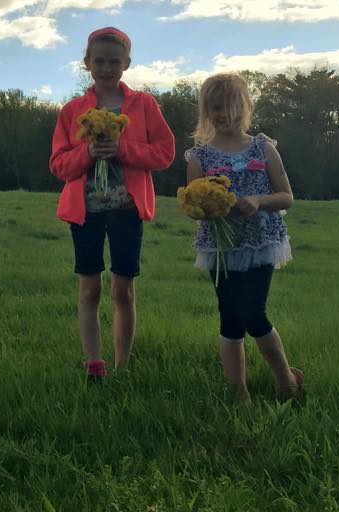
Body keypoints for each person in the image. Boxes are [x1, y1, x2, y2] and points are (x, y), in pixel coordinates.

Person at [50, 27, 175, 381]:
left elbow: (164, 153)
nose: (106, 68)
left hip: (126, 210)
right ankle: (94, 364)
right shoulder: (72, 110)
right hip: (84, 212)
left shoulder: (144, 105)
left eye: (114, 62)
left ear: (127, 64)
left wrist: (123, 149)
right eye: (99, 61)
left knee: (124, 289)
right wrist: (87, 153)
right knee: (90, 287)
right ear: (87, 63)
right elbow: (58, 164)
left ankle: (122, 366)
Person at [185, 72, 303, 403]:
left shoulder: (263, 148)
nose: (224, 114)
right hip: (220, 247)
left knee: (254, 313)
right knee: (230, 317)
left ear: (246, 106)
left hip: (260, 243)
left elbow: (286, 197)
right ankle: (239, 393)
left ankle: (286, 379)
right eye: (216, 108)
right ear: (207, 112)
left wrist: (258, 202)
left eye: (232, 106)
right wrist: (208, 208)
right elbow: (191, 204)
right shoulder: (199, 157)